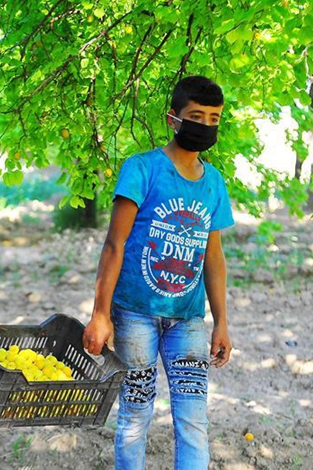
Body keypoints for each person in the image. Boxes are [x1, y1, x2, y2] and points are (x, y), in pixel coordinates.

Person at [83, 75, 235, 470]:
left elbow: (213, 258)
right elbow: (114, 245)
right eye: (196, 116)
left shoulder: (214, 183)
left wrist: (221, 322)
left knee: (193, 420)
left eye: (214, 118)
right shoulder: (142, 169)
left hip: (187, 320)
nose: (205, 125)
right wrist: (101, 314)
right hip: (135, 314)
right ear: (173, 118)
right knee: (135, 415)